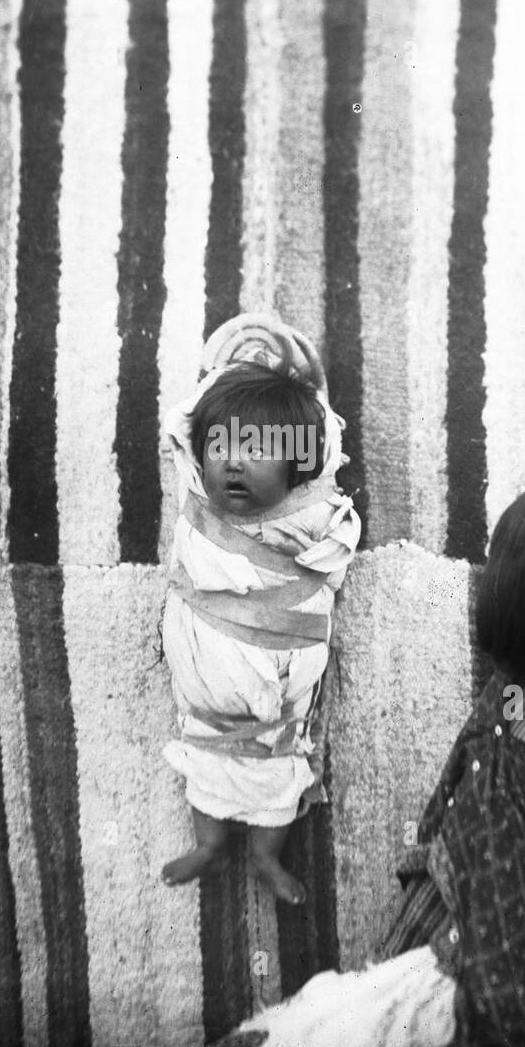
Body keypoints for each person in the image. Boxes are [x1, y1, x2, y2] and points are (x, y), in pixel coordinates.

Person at [213, 476, 525, 1047]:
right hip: (435, 982)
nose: (489, 584)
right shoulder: (524, 702)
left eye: (503, 571)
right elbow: (449, 853)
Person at [159, 314, 361, 905]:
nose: (233, 462)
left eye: (257, 449)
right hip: (205, 701)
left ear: (300, 465)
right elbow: (186, 425)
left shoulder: (312, 519)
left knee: (276, 787)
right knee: (206, 773)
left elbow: (330, 565)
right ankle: (211, 845)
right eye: (220, 446)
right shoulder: (197, 499)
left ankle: (266, 859)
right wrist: (235, 366)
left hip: (276, 706)